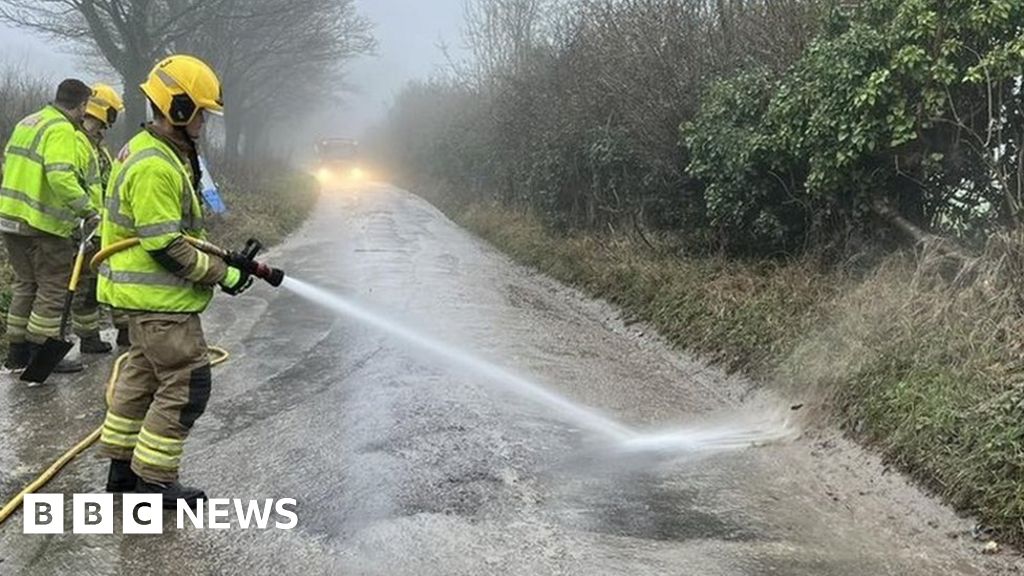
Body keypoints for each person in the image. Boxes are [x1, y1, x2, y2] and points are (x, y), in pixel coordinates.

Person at [97, 54, 251, 507]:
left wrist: (226, 260)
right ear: (179, 108)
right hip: (160, 303)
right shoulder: (155, 167)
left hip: (144, 302)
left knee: (142, 379)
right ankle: (155, 483)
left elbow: (176, 233)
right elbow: (166, 246)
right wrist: (222, 274)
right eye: (202, 111)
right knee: (188, 382)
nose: (205, 121)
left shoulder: (154, 152)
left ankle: (122, 474)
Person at [0, 79, 99, 373]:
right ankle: (40, 353)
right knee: (53, 287)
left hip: (10, 219)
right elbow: (61, 177)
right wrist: (88, 210)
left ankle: (16, 353)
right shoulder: (61, 130)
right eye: (85, 108)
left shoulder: (28, 122)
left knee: (25, 284)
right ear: (81, 105)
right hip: (42, 225)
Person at [72, 83, 125, 355]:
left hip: (102, 224)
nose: (109, 125)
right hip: (84, 227)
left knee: (110, 278)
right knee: (88, 286)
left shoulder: (98, 146)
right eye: (111, 116)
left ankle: (124, 329)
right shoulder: (76, 142)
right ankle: (88, 336)